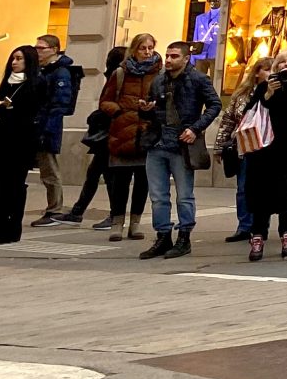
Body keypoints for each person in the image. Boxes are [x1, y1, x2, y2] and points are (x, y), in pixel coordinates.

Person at [140, 40, 220, 260]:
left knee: (184, 195)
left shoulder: (197, 79)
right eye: (167, 55)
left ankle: (184, 237)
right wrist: (146, 109)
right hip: (157, 143)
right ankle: (163, 235)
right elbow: (152, 110)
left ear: (186, 58)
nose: (168, 60)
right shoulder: (158, 81)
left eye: (174, 56)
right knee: (158, 196)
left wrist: (195, 129)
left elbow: (215, 104)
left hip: (181, 145)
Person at [236, 49, 287, 260]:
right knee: (261, 197)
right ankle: (257, 237)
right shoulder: (266, 87)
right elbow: (250, 111)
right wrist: (267, 95)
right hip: (265, 150)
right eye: (283, 62)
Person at [96, 33, 159, 242]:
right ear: (134, 50)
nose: (147, 52)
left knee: (142, 183)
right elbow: (105, 101)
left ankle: (135, 223)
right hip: (122, 133)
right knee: (120, 183)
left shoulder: (160, 73)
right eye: (143, 48)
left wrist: (153, 108)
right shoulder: (121, 73)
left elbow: (167, 100)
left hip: (146, 134)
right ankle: (117, 223)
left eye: (150, 48)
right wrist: (118, 112)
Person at [61, 45, 127, 228]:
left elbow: (110, 105)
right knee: (96, 173)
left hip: (110, 133)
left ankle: (114, 215)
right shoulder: (117, 76)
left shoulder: (118, 77)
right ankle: (79, 211)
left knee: (106, 175)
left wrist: (99, 116)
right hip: (108, 133)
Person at [0, 47, 43, 244]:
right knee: (3, 184)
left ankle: (13, 227)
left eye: (19, 59)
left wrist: (9, 109)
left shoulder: (35, 83)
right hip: (3, 138)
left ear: (29, 62)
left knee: (16, 184)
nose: (14, 62)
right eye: (13, 58)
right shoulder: (7, 82)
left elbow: (31, 111)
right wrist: (3, 109)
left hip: (22, 141)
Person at [215, 57, 272, 243]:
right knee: (243, 188)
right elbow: (228, 120)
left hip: (267, 147)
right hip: (244, 145)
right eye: (267, 70)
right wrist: (219, 145)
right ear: (257, 72)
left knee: (263, 189)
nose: (271, 74)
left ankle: (259, 226)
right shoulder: (242, 94)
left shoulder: (278, 93)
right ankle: (244, 226)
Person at [29, 34, 81, 228]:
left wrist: (48, 129)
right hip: (36, 124)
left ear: (54, 49)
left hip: (46, 126)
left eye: (41, 48)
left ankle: (55, 209)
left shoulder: (60, 72)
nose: (37, 52)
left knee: (49, 168)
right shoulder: (42, 70)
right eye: (36, 48)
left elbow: (60, 103)